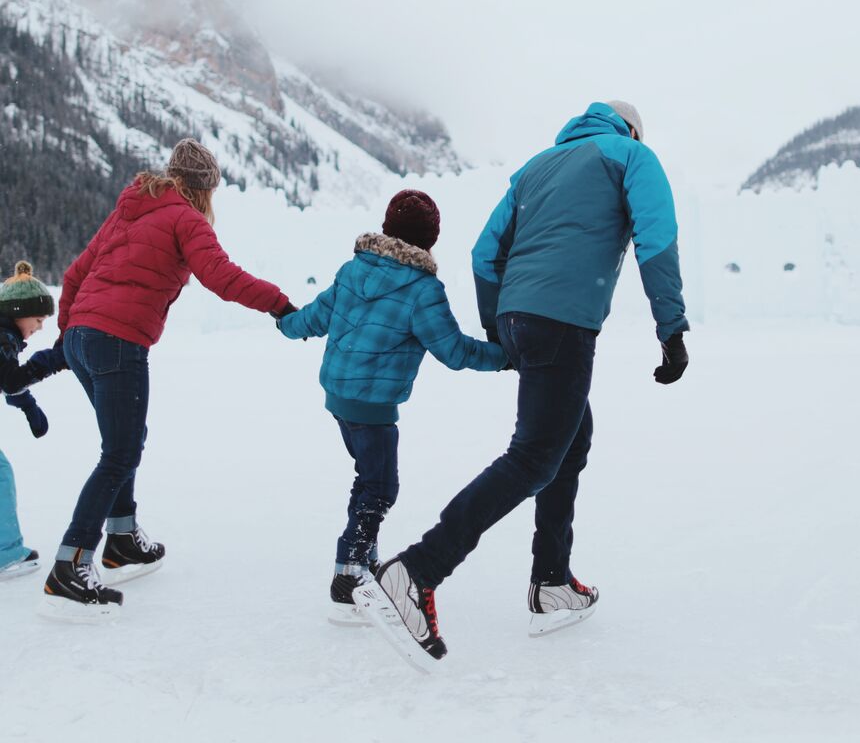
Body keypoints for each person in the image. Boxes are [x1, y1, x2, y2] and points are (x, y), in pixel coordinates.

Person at [355, 101, 690, 664]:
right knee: (535, 455)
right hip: (563, 322)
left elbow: (485, 256)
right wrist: (671, 328)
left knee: (570, 437)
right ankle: (415, 571)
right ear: (630, 129)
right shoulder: (632, 155)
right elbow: (656, 236)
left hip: (521, 316)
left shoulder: (535, 167)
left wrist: (500, 327)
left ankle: (553, 580)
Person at [41, 139, 295, 620]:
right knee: (119, 453)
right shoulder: (185, 219)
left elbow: (75, 273)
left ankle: (120, 539)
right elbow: (221, 277)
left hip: (82, 338)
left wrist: (70, 333)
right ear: (204, 189)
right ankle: (70, 566)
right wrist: (279, 304)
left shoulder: (131, 208)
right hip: (116, 342)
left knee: (127, 441)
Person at [276, 189, 507, 624]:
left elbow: (314, 317)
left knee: (368, 479)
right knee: (381, 488)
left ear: (386, 227)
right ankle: (348, 574)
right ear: (430, 240)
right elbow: (455, 352)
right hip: (373, 406)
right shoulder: (422, 289)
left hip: (339, 398)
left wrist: (285, 321)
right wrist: (507, 357)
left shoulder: (352, 270)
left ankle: (363, 562)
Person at [0, 262, 66, 581]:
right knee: (0, 474)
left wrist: (27, 405)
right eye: (38, 319)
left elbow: (7, 379)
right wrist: (49, 362)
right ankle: (6, 554)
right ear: (18, 312)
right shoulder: (3, 335)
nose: (40, 327)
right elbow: (10, 379)